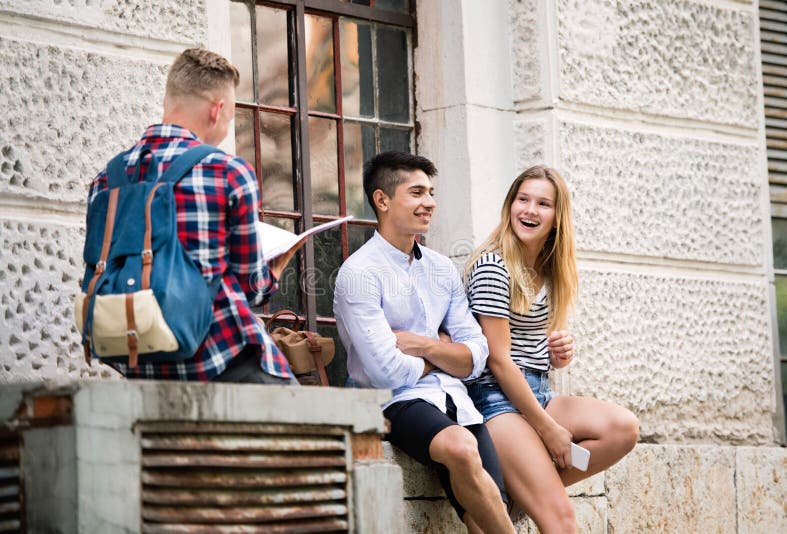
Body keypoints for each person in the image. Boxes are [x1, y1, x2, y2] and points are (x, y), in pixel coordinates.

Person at [87, 48, 299, 384]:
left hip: (139, 360)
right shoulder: (228, 172)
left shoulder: (106, 179)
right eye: (230, 116)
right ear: (217, 111)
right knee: (306, 428)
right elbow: (249, 287)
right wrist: (271, 273)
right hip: (217, 355)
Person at [334, 152, 515, 533]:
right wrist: (443, 351)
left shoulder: (441, 268)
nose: (429, 202)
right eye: (416, 192)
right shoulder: (359, 274)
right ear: (382, 200)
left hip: (456, 402)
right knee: (462, 448)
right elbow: (388, 371)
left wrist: (423, 346)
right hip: (394, 403)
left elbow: (477, 354)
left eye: (431, 192)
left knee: (487, 514)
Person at [464, 165, 639, 533]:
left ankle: (512, 495)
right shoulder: (494, 267)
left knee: (623, 428)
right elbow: (498, 359)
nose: (529, 210)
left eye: (543, 203)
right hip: (496, 401)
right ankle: (525, 494)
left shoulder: (548, 269)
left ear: (557, 218)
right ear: (510, 205)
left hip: (538, 392)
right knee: (561, 521)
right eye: (522, 199)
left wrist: (557, 356)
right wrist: (547, 429)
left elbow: (531, 349)